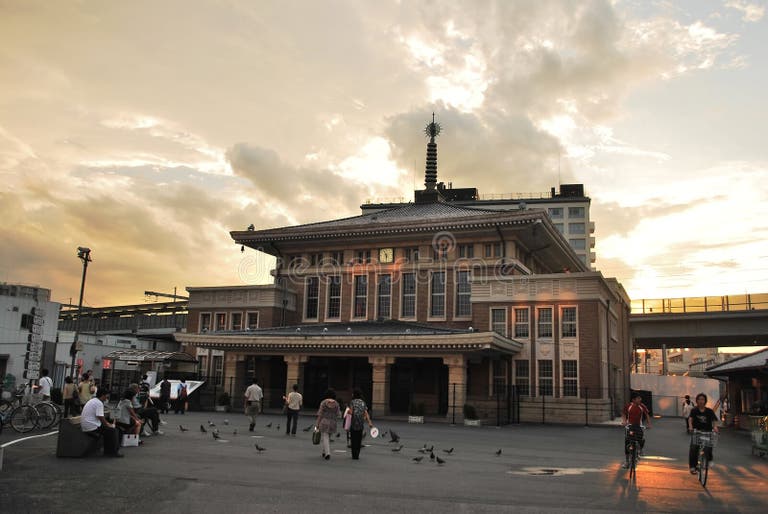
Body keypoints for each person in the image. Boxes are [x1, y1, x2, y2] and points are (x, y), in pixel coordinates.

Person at [80, 387, 122, 457]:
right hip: (92, 427)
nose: (107, 398)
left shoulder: (93, 400)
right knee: (113, 430)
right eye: (107, 396)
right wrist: (108, 425)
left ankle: (109, 451)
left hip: (87, 425)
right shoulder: (99, 403)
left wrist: (108, 424)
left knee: (111, 429)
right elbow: (101, 417)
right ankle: (112, 452)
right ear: (103, 395)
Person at [688, 392, 719, 474]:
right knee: (694, 448)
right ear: (697, 401)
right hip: (697, 432)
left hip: (707, 432)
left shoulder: (709, 411)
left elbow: (714, 420)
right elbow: (690, 419)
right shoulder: (694, 410)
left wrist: (715, 427)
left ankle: (709, 459)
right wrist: (690, 426)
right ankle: (693, 466)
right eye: (699, 399)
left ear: (705, 401)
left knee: (708, 446)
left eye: (702, 399)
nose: (701, 401)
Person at [621, 392, 652, 468]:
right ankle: (627, 462)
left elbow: (647, 414)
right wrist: (624, 421)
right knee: (627, 442)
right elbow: (624, 414)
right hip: (630, 426)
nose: (640, 399)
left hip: (639, 426)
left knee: (641, 439)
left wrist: (649, 424)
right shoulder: (628, 406)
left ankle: (640, 450)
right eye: (638, 398)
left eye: (640, 398)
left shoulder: (642, 406)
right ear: (633, 400)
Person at [344, 388, 373, 460]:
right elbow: (366, 413)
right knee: (359, 438)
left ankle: (354, 454)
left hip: (353, 422)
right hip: (360, 422)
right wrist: (369, 422)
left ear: (354, 394)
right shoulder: (363, 402)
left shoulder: (352, 402)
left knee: (353, 438)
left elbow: (351, 412)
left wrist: (347, 411)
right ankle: (357, 454)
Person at [315, 389, 341, 461]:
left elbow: (320, 414)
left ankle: (327, 453)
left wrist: (317, 423)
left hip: (324, 421)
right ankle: (324, 451)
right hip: (333, 422)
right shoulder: (336, 404)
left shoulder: (323, 402)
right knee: (328, 437)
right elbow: (338, 414)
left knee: (325, 437)